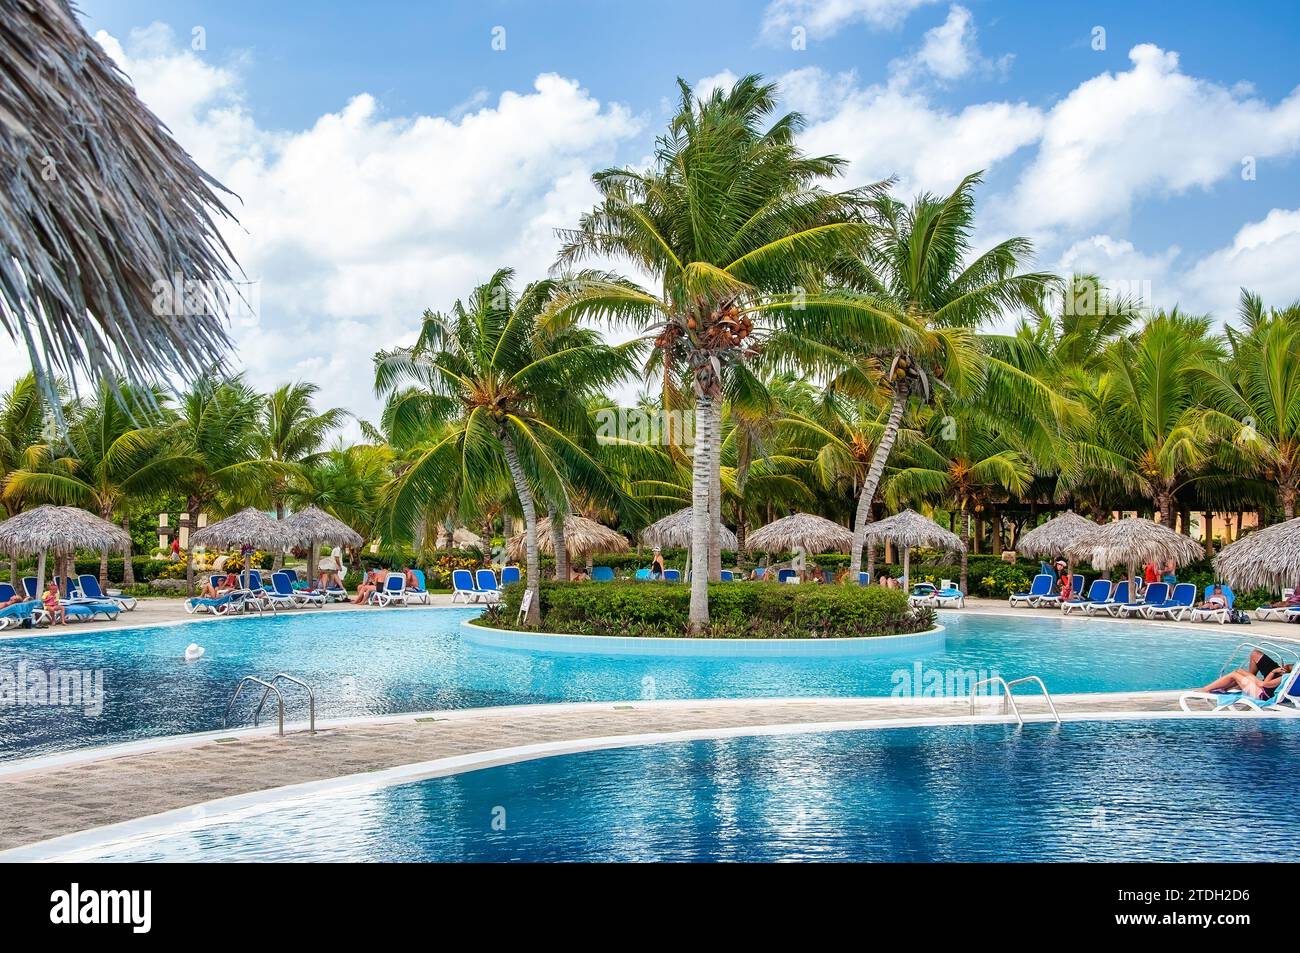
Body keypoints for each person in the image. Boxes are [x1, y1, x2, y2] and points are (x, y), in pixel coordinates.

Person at [1198, 656, 1293, 701]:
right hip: (1265, 692)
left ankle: (1205, 689)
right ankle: (1222, 689)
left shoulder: (1286, 677)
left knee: (1234, 674)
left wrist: (1273, 672)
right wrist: (1273, 672)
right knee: (1239, 671)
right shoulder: (1293, 678)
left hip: (1262, 695)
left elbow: (1263, 685)